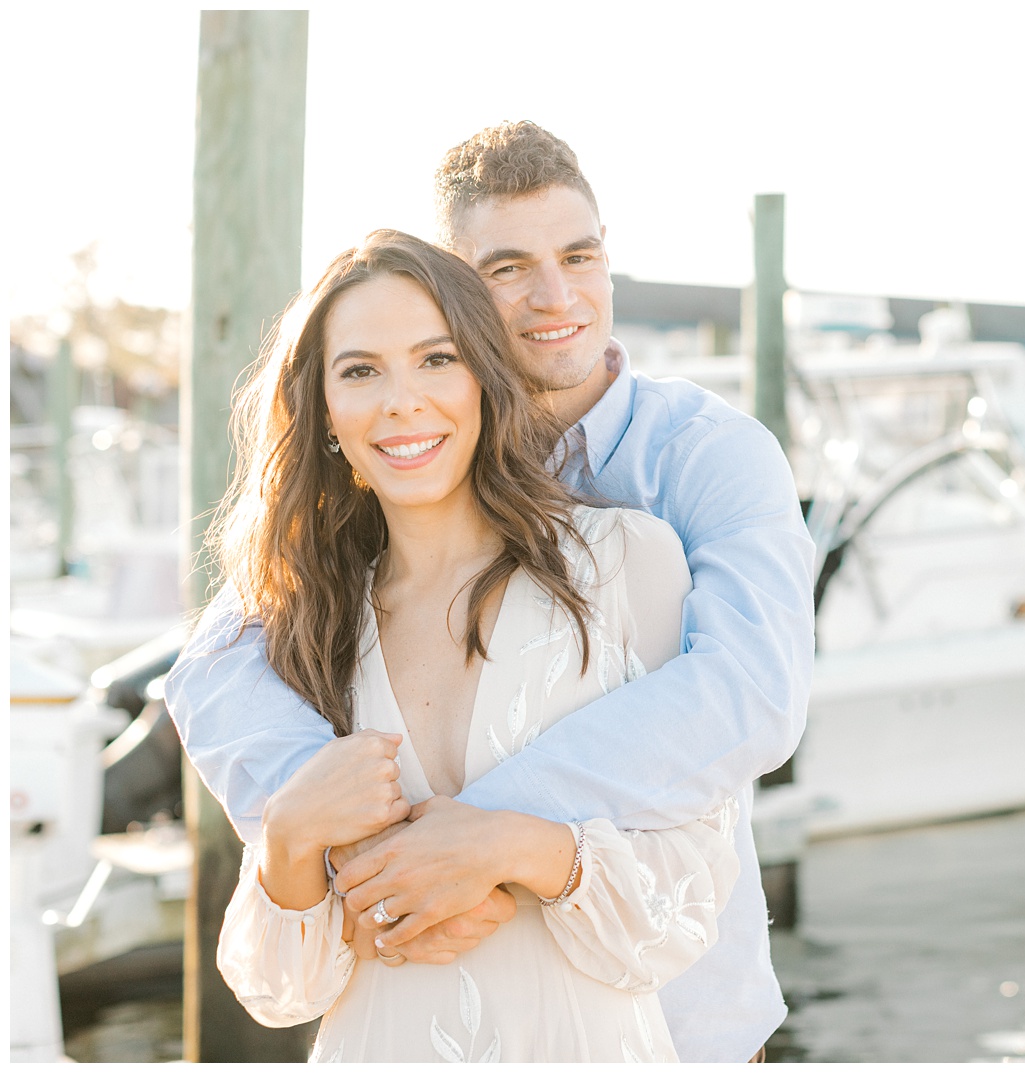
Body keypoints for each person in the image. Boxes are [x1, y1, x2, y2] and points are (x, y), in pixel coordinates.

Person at [167, 121, 814, 1063]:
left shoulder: (702, 462)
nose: (557, 297)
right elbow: (218, 666)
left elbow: (748, 693)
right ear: (458, 288)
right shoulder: (377, 510)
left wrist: (474, 843)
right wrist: (349, 846)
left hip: (681, 1020)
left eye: (579, 254)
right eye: (509, 267)